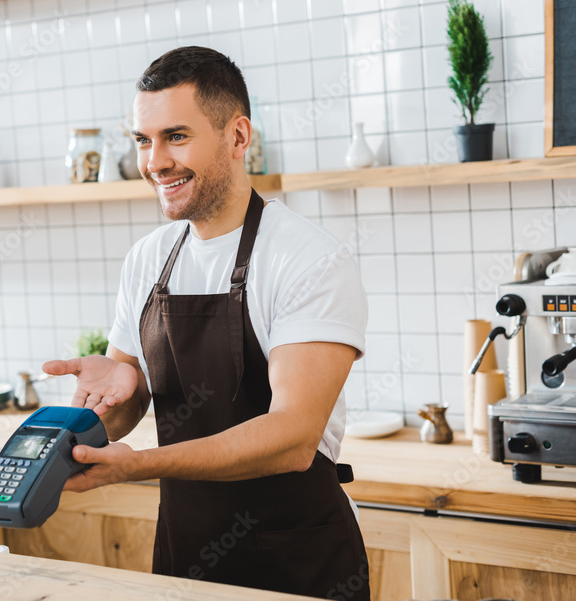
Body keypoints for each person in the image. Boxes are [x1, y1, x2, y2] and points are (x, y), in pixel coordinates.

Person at [43, 47, 370, 600]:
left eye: (176, 136)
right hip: (185, 555)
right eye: (143, 140)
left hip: (296, 562)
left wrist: (138, 466)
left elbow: (291, 438)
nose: (154, 162)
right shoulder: (148, 258)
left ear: (238, 137)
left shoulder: (308, 259)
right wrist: (114, 397)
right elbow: (121, 418)